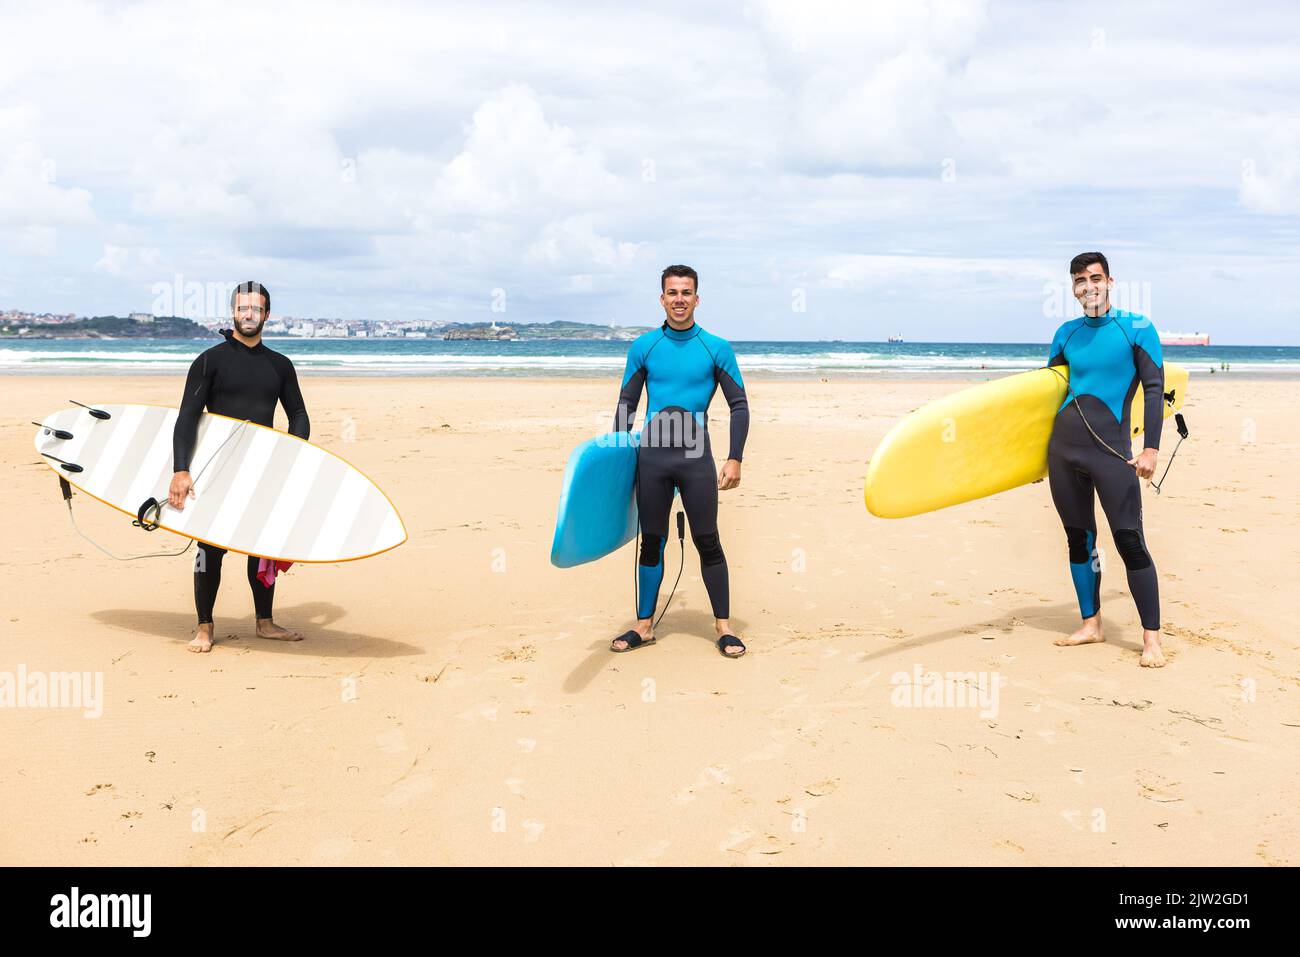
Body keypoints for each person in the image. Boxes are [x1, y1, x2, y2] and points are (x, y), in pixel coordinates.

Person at [609, 265, 750, 657]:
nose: (679, 299)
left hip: (694, 458)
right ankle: (644, 625)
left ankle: (723, 627)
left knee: (708, 541)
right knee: (651, 542)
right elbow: (626, 406)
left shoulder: (715, 347)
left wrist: (734, 457)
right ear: (662, 298)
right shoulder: (644, 347)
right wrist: (618, 461)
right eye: (672, 292)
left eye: (686, 292)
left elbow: (739, 405)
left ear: (697, 299)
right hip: (651, 457)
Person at [169, 281, 310, 653]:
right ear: (233, 311)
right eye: (243, 308)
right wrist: (181, 469)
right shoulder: (209, 361)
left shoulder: (279, 365)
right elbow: (187, 418)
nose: (249, 315)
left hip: (263, 470)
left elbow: (298, 415)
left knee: (261, 546)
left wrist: (291, 454)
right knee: (209, 549)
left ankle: (265, 622)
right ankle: (204, 627)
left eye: (257, 309)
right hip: (218, 469)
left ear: (267, 314)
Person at [1047, 252, 1166, 667]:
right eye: (1080, 280)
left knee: (1129, 539)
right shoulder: (1066, 333)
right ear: (1074, 287)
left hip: (1112, 452)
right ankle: (1091, 623)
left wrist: (1150, 447)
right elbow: (1046, 396)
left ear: (1110, 282)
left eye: (1095, 278)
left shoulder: (1136, 328)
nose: (1088, 286)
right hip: (1063, 452)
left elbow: (1153, 388)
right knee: (1079, 540)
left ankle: (1151, 639)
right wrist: (1027, 461)